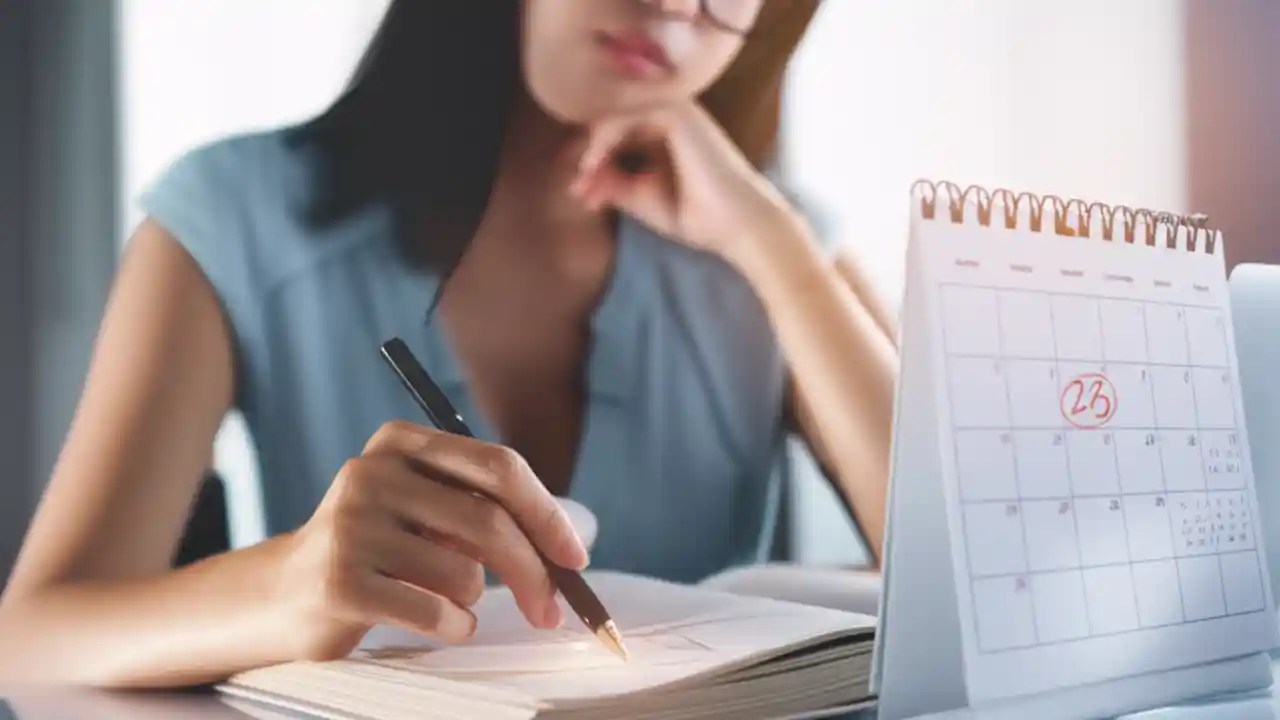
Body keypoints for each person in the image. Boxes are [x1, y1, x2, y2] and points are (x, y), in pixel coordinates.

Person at [0, 0, 895, 688]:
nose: (669, 6)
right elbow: (31, 639)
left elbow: (979, 578)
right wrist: (288, 587)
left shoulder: (782, 243)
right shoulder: (233, 216)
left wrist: (772, 245)